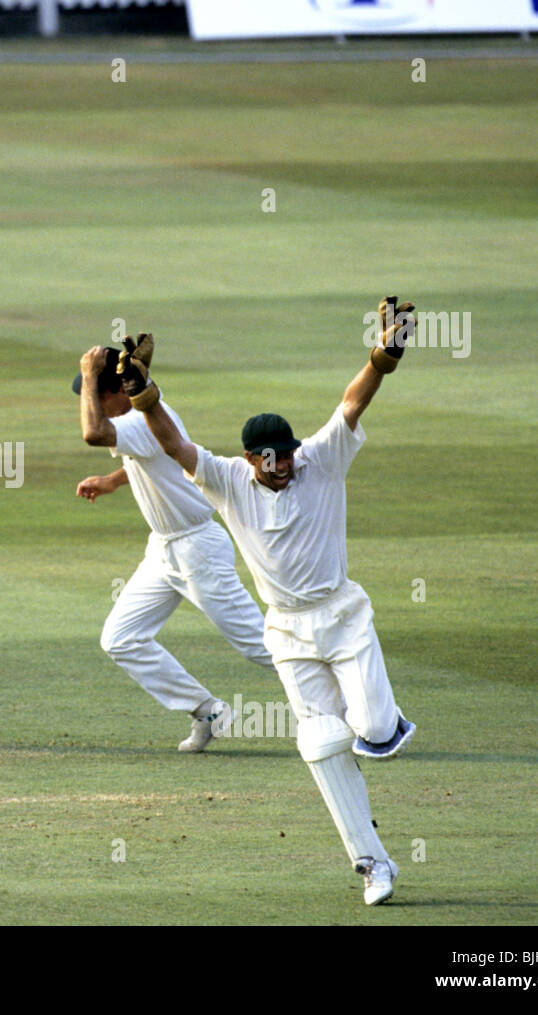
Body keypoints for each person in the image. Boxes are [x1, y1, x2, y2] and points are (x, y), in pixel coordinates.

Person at [115, 299, 417, 905]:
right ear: (250, 459)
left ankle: (379, 723)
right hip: (286, 632)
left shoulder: (320, 460)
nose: (282, 468)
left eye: (287, 456)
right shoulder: (226, 478)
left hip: (343, 616)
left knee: (375, 731)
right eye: (270, 461)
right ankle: (372, 864)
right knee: (320, 745)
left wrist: (384, 355)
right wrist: (144, 396)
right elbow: (173, 444)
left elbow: (352, 402)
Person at [74, 343, 275, 753]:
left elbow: (93, 433)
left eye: (94, 394)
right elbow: (152, 457)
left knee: (262, 647)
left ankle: (357, 704)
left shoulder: (137, 419)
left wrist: (90, 371)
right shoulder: (144, 415)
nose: (92, 403)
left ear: (115, 391)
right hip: (164, 549)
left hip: (198, 549)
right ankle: (207, 710)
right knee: (121, 639)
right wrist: (112, 481)